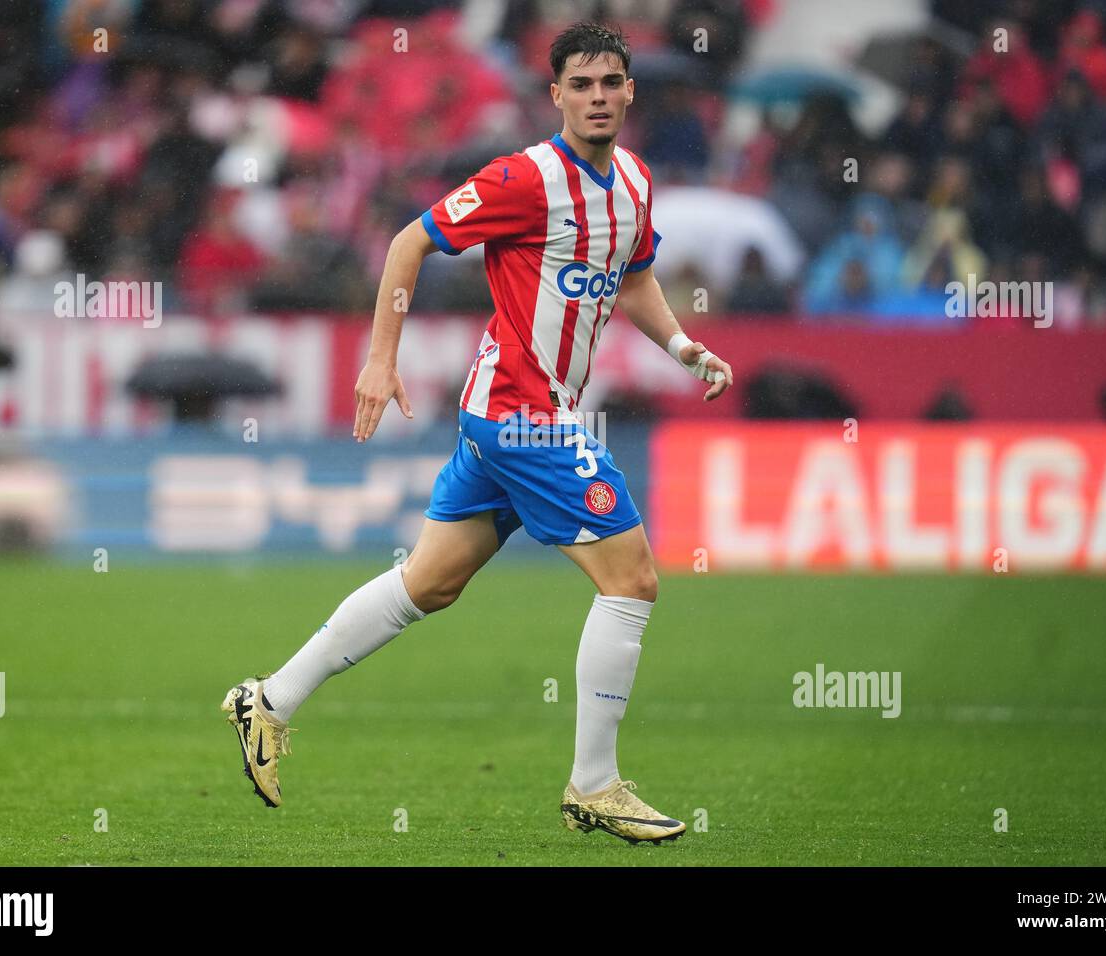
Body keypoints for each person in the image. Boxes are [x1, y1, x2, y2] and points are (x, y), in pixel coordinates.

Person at [221, 21, 732, 845]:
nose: (598, 97)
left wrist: (680, 345)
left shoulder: (634, 180)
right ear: (556, 94)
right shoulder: (524, 178)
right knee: (632, 579)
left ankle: (268, 699)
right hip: (521, 412)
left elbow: (632, 277)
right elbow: (408, 242)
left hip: (518, 411)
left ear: (629, 91)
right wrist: (380, 359)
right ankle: (594, 785)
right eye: (582, 84)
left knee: (430, 583)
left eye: (612, 83)